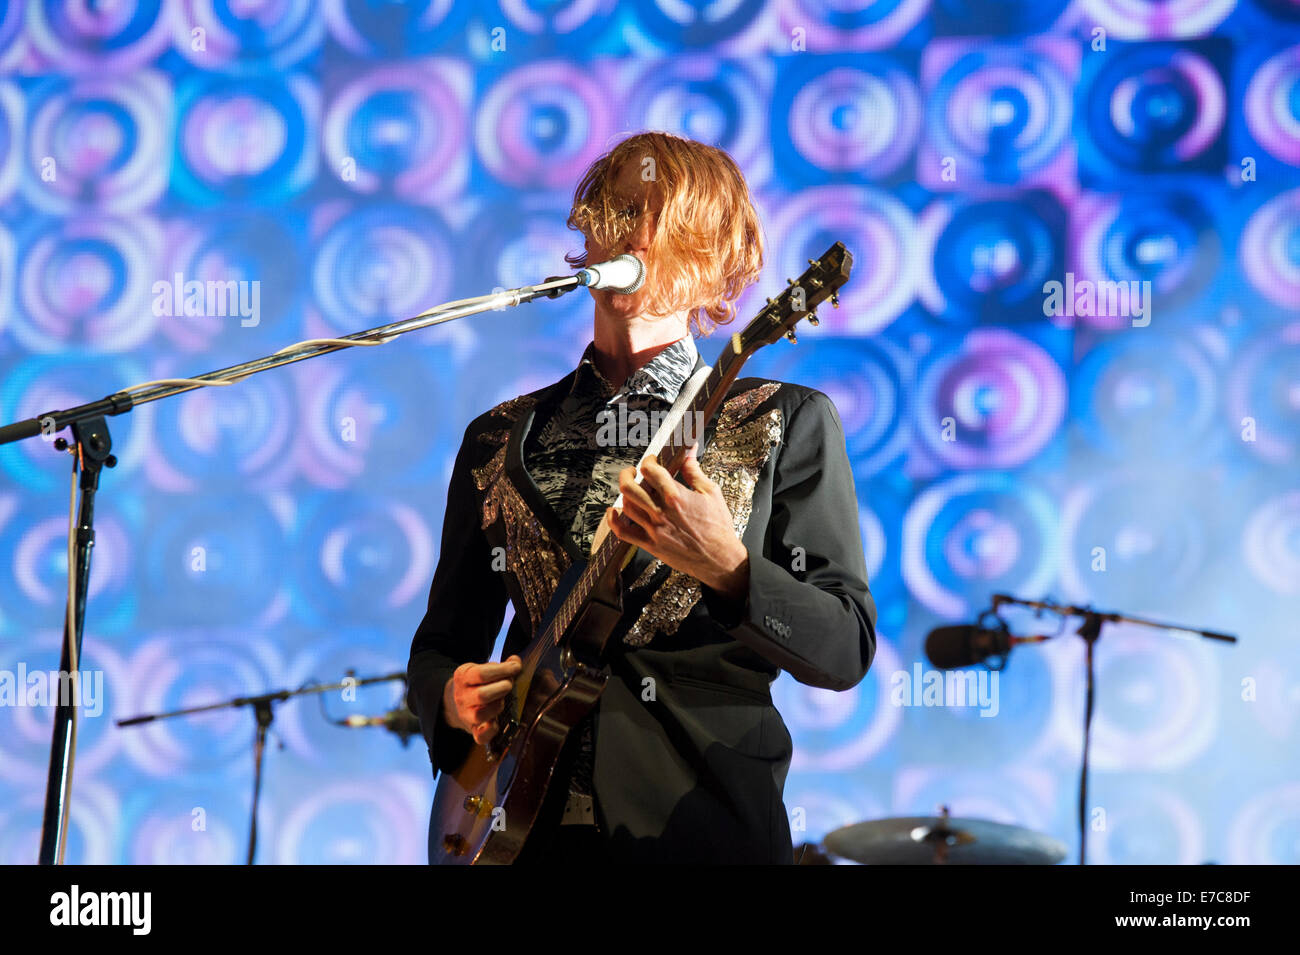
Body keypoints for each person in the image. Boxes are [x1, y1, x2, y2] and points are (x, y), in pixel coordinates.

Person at [406, 131, 876, 864]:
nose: (634, 232)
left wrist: (732, 570)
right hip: (513, 831)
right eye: (617, 209)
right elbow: (443, 643)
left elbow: (845, 645)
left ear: (718, 263)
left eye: (662, 217)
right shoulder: (498, 436)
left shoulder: (785, 421)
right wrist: (448, 696)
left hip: (699, 832)